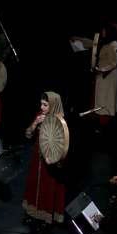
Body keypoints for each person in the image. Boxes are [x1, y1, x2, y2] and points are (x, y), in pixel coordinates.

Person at [22, 92, 68, 225]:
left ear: (53, 105)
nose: (42, 107)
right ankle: (33, 212)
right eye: (41, 104)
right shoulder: (40, 116)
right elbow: (28, 134)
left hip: (51, 161)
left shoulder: (60, 122)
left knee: (48, 188)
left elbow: (63, 146)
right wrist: (35, 123)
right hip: (37, 158)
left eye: (45, 105)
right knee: (35, 184)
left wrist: (53, 159)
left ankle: (46, 217)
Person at [91, 22, 117, 121]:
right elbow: (92, 44)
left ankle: (105, 123)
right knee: (101, 99)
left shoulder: (113, 44)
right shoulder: (106, 43)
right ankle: (101, 121)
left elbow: (114, 63)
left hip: (108, 76)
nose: (102, 32)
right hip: (103, 76)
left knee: (106, 100)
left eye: (104, 30)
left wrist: (101, 70)